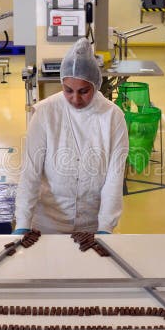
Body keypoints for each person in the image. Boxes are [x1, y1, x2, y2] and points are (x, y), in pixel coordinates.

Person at [14, 38, 129, 235]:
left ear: (96, 84)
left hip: (91, 225)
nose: (75, 99)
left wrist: (105, 228)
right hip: (48, 224)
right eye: (68, 90)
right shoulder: (45, 113)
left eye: (84, 91)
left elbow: (114, 178)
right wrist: (23, 222)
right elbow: (30, 172)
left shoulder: (113, 117)